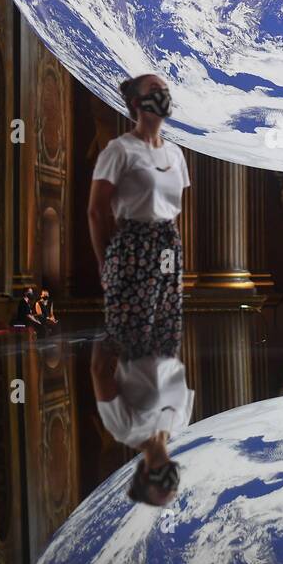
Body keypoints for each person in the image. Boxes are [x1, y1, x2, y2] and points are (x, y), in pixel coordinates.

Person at [87, 73, 194, 506]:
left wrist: (172, 260)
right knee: (128, 330)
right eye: (154, 91)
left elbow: (173, 213)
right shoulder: (119, 151)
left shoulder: (177, 153)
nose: (162, 96)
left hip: (167, 247)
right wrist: (109, 264)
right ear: (136, 103)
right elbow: (97, 212)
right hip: (131, 247)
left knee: (168, 331)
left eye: (164, 90)